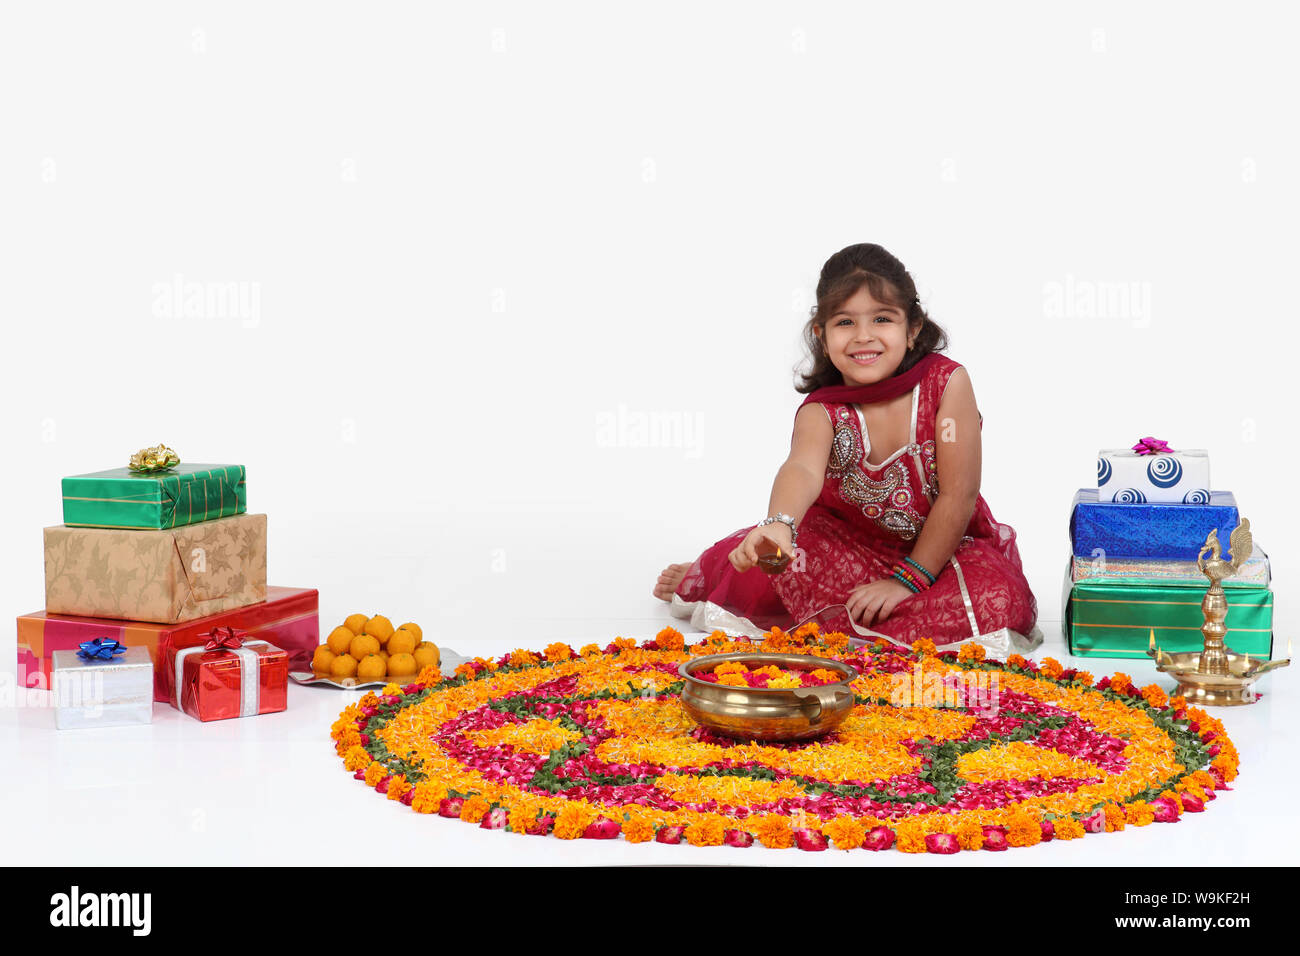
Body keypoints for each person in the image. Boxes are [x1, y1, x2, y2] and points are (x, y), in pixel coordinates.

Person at [653, 243, 1037, 648]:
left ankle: (877, 607)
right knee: (768, 563)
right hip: (845, 546)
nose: (863, 336)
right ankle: (708, 571)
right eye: (845, 323)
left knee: (998, 602)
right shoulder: (823, 410)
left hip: (943, 549)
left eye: (882, 319)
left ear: (913, 329)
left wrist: (908, 580)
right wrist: (780, 525)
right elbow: (801, 469)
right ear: (821, 334)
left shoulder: (947, 385)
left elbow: (959, 493)